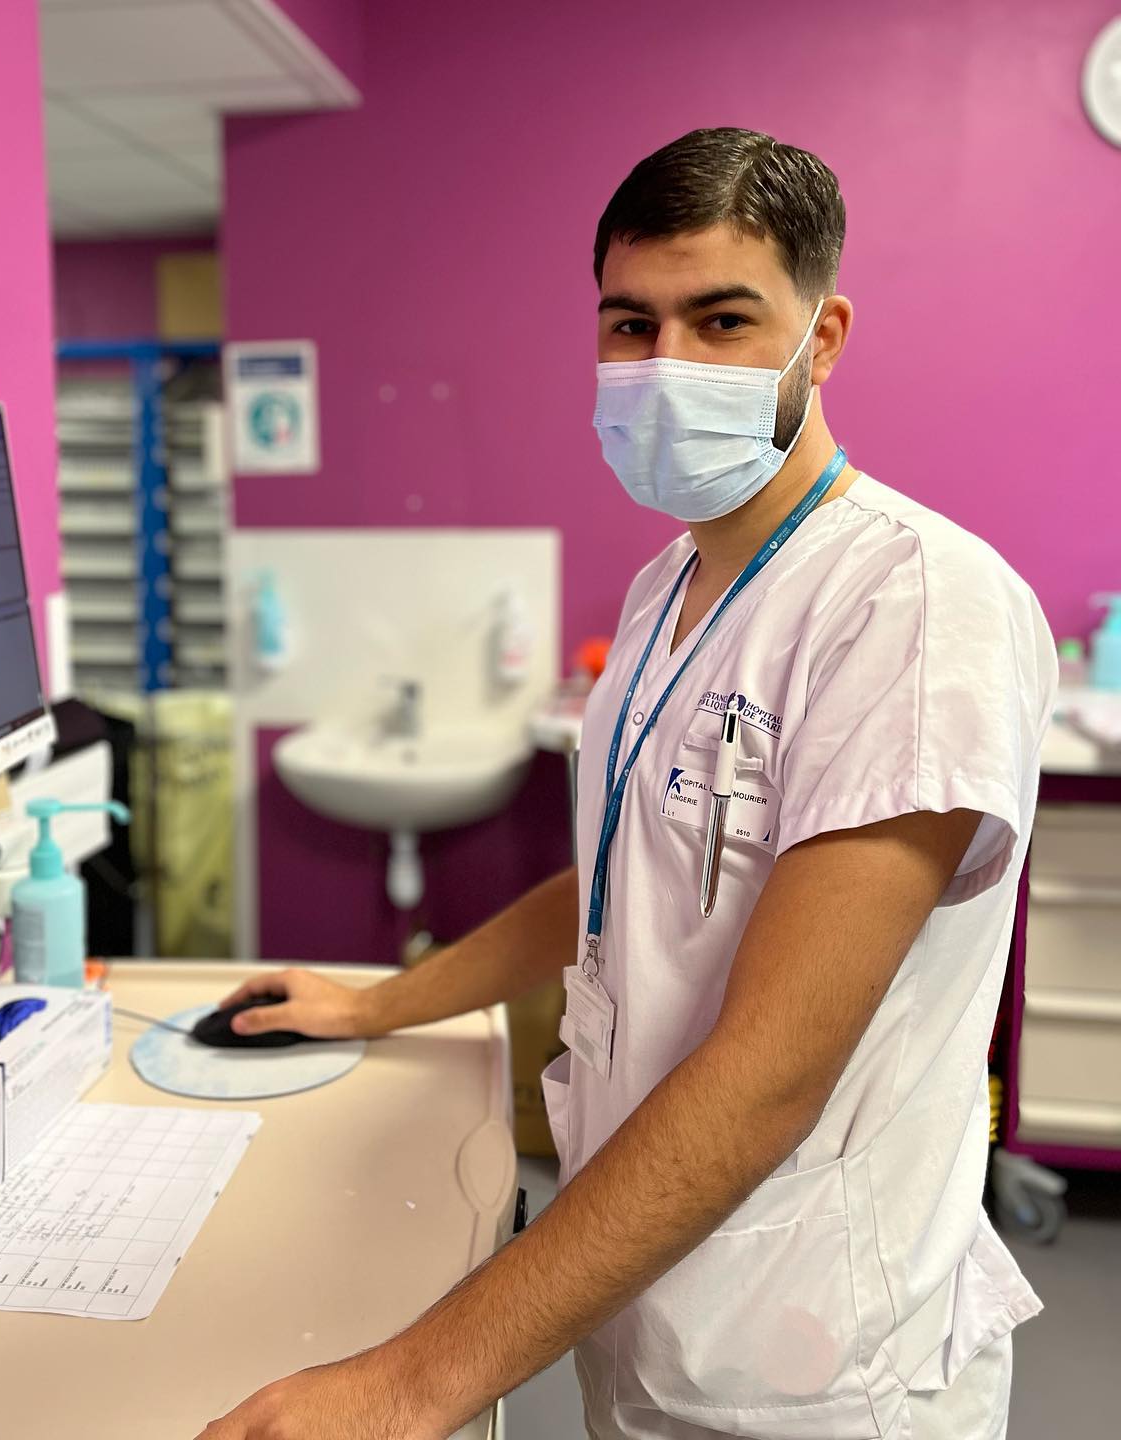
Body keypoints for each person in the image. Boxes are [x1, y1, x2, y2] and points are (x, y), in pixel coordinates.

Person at [198, 128, 1055, 1440]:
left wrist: (411, 1381)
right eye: (630, 324)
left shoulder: (917, 604)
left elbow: (771, 1070)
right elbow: (623, 888)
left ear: (818, 340)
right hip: (648, 1291)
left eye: (722, 320)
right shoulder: (669, 590)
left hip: (814, 1357)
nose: (669, 368)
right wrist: (380, 1001)